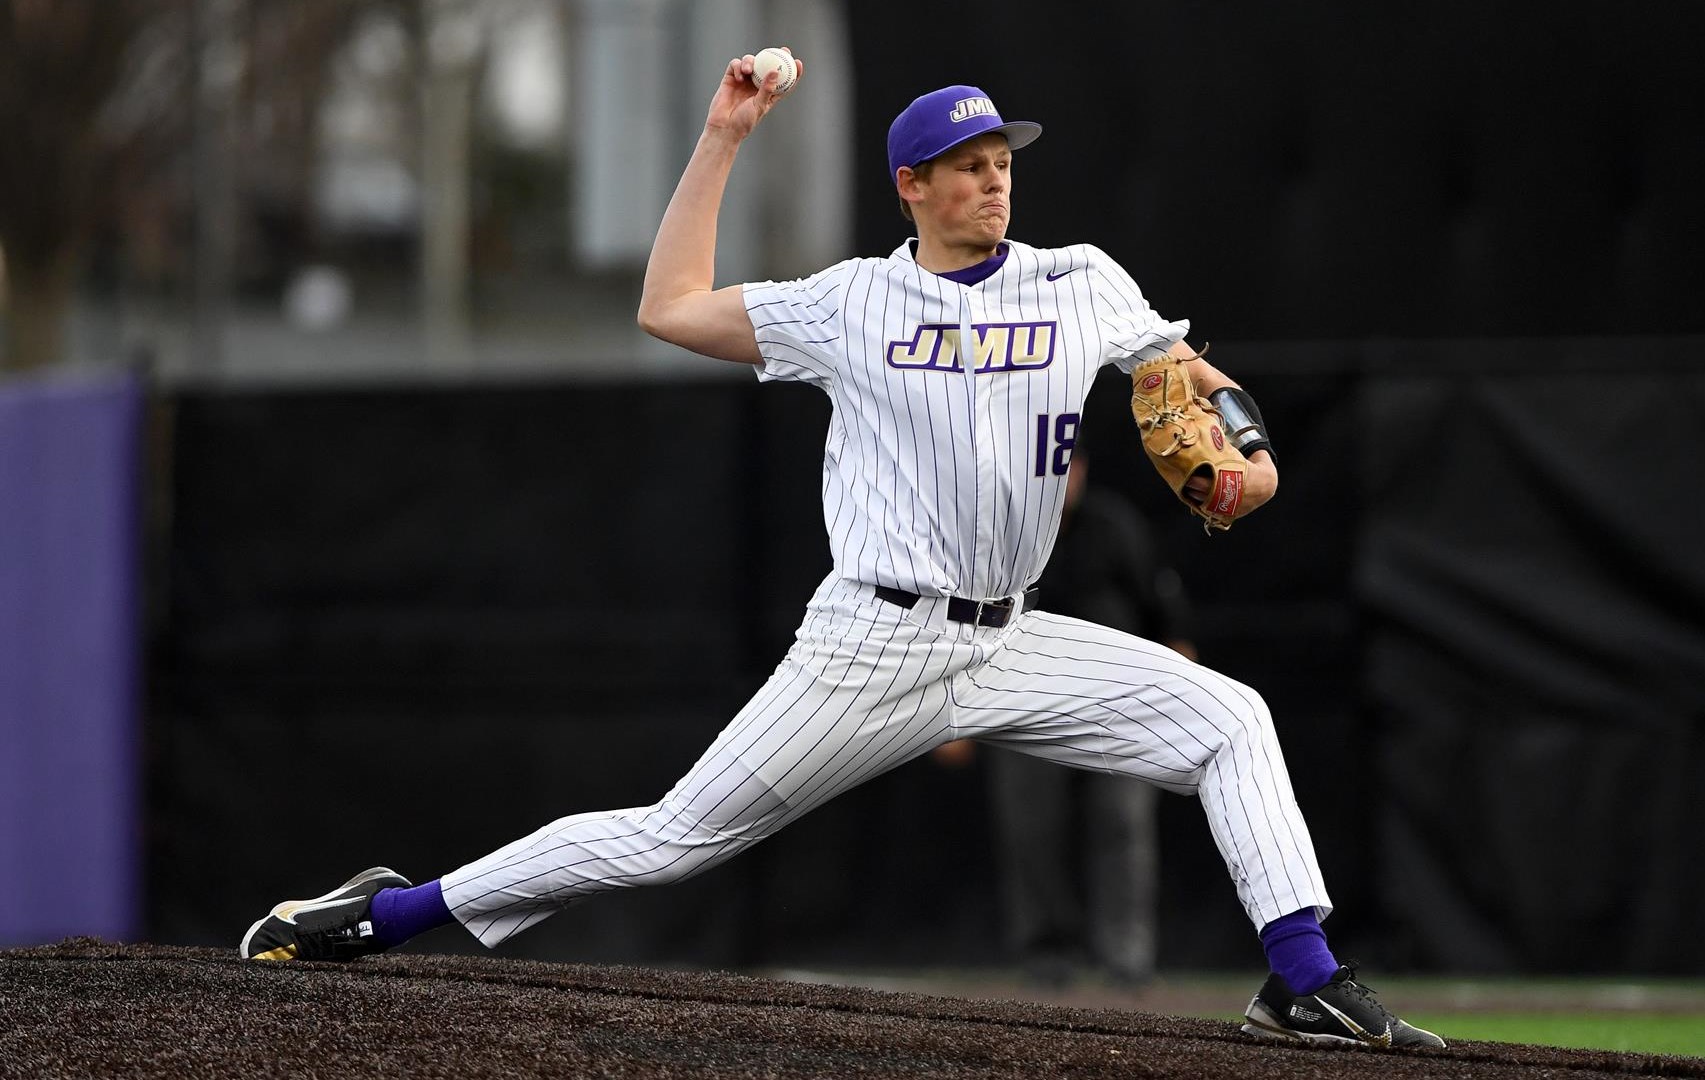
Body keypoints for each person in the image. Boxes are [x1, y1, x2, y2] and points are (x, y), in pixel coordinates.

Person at [239, 53, 1445, 1051]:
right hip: (873, 640)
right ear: (911, 184)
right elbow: (668, 305)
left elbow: (1192, 384)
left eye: (1003, 163)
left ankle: (1301, 976)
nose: (993, 183)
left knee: (1230, 718)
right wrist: (721, 136)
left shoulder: (1080, 281)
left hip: (1012, 635)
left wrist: (1252, 458)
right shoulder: (850, 302)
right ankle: (387, 914)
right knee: (674, 839)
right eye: (968, 167)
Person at [937, 451, 1195, 990]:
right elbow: (960, 626)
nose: (1063, 480)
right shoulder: (997, 536)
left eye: (1071, 468)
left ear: (1081, 472)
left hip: (1114, 708)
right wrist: (950, 713)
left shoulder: (1114, 526)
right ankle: (1046, 954)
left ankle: (1127, 961)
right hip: (1021, 707)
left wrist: (1179, 706)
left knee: (1123, 829)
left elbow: (1165, 616)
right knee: (1031, 833)